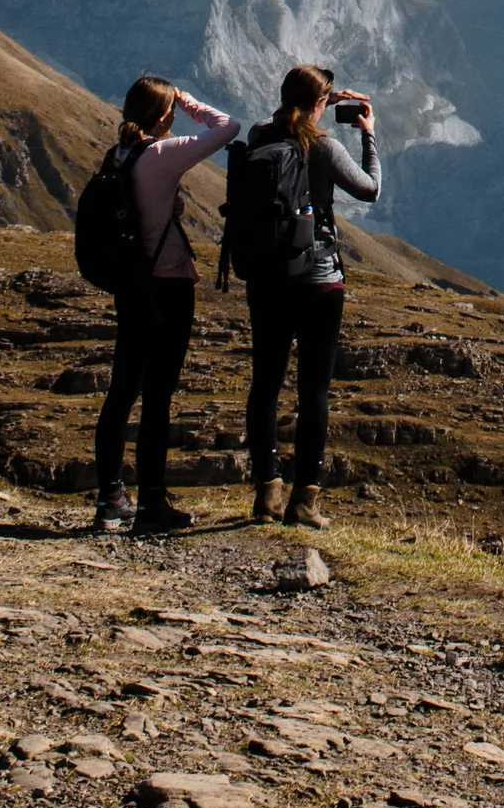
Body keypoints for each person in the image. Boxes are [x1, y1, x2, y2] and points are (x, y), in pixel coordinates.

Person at [92, 76, 240, 536]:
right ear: (162, 115)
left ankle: (111, 497)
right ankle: (153, 503)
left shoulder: (116, 155)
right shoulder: (160, 153)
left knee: (121, 391)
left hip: (130, 284)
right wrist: (191, 102)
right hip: (167, 284)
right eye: (171, 110)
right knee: (157, 397)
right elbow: (228, 127)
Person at [240, 63, 380, 528]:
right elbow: (370, 189)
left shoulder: (262, 135)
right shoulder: (325, 147)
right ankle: (305, 501)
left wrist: (321, 100)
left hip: (266, 279)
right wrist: (368, 134)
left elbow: (284, 117)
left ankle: (266, 494)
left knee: (266, 383)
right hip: (319, 280)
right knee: (313, 389)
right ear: (322, 105)